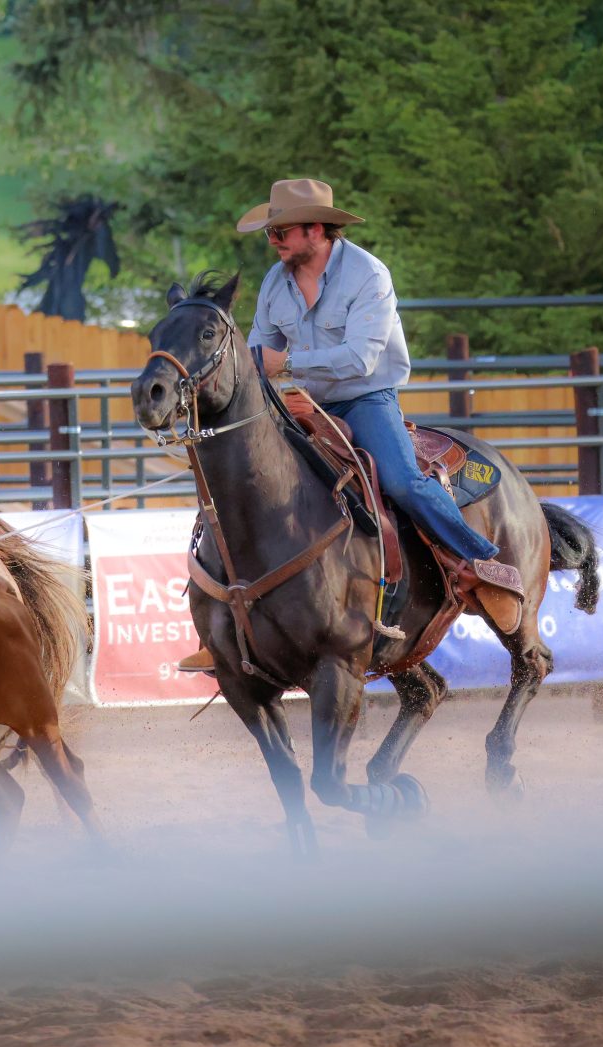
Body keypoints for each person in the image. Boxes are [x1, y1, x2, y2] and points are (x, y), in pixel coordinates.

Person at [177, 178, 513, 675]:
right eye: (271, 234)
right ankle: (222, 624)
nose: (274, 241)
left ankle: (485, 565)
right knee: (237, 476)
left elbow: (360, 357)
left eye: (282, 232)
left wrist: (284, 364)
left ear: (317, 229)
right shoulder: (276, 282)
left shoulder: (367, 275)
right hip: (296, 400)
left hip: (364, 397)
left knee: (403, 480)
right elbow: (257, 349)